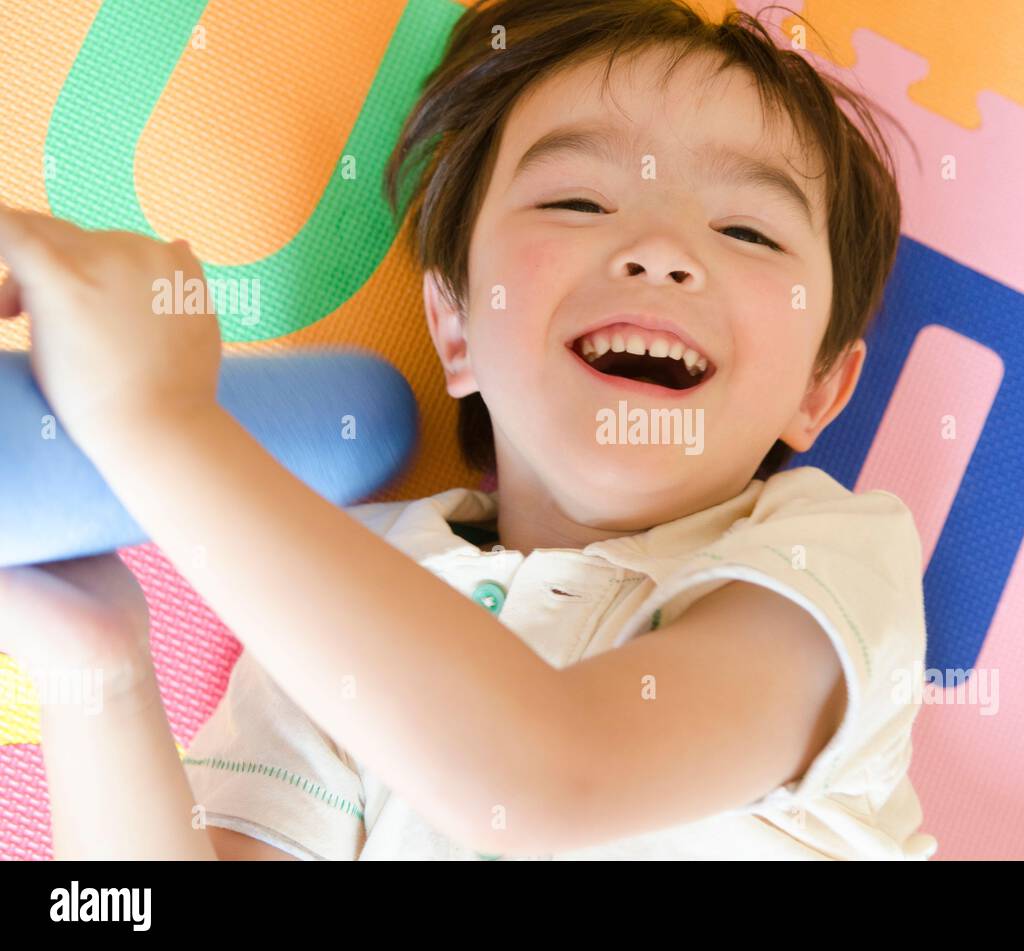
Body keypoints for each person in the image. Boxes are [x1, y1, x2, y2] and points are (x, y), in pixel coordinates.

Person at [0, 0, 935, 860]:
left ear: (821, 386)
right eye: (579, 201)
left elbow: (556, 773)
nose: (661, 251)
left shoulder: (833, 563)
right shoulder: (350, 587)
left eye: (748, 231)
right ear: (455, 330)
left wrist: (163, 423)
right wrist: (100, 674)